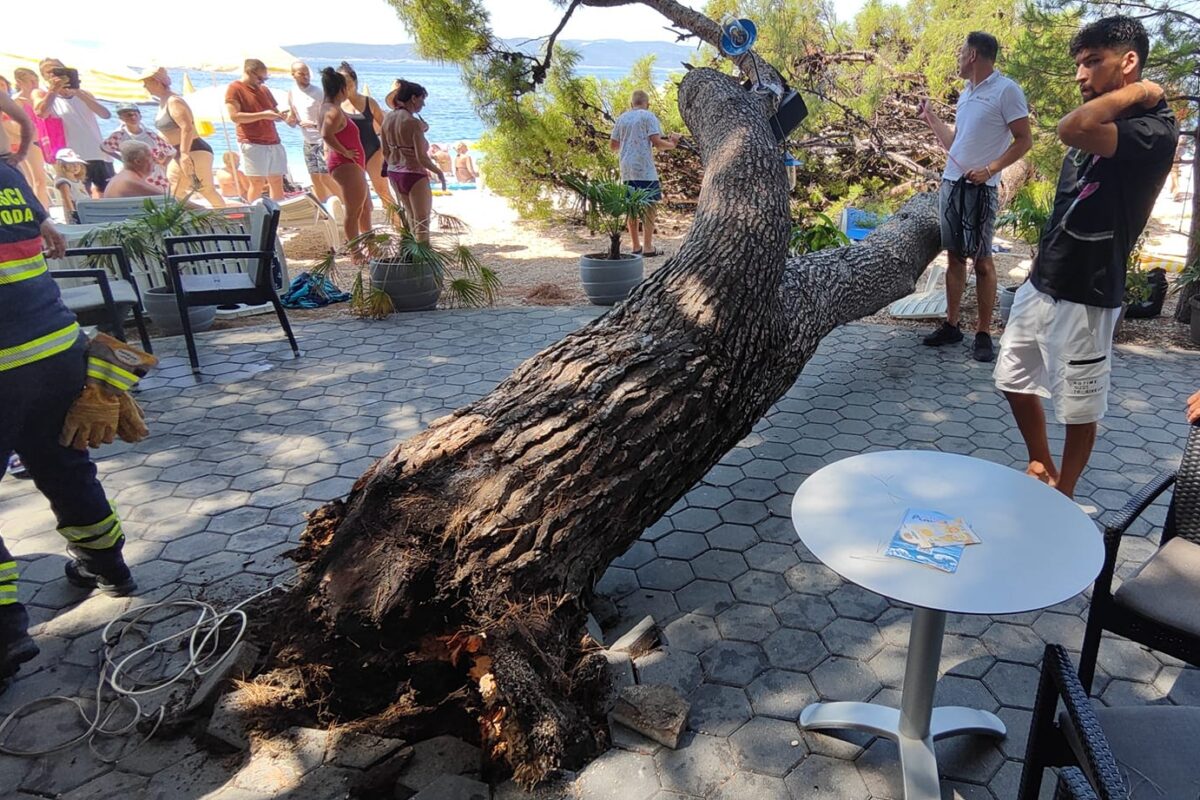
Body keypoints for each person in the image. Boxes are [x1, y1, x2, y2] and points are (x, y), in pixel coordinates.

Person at [994, 15, 1178, 500]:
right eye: (1078, 63)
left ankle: (1064, 494)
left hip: (1089, 290)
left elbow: (1071, 128)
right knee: (1012, 378)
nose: (1080, 74)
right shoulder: (1102, 116)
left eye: (1093, 62)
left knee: (1079, 407)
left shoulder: (1152, 129)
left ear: (1129, 62)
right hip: (1044, 280)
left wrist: (1144, 93)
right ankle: (1040, 464)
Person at [0, 160, 156, 689]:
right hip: (54, 351)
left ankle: (5, 631)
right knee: (65, 464)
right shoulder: (7, 174)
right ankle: (107, 567)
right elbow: (48, 237)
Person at [917, 32, 1032, 363]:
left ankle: (983, 333)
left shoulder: (1006, 90)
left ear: (974, 56)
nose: (958, 56)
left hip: (981, 188)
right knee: (954, 256)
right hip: (952, 184)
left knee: (982, 261)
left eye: (961, 50)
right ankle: (952, 325)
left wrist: (990, 169)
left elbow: (1024, 141)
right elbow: (955, 145)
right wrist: (932, 118)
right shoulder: (965, 95)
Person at [139, 67, 224, 208]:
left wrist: (184, 154)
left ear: (156, 82)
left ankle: (229, 217)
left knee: (203, 189)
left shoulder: (173, 101)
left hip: (192, 150)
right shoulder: (163, 102)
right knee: (175, 191)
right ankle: (200, 214)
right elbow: (168, 132)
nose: (144, 86)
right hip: (177, 152)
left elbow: (187, 127)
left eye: (146, 82)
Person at [610, 89, 680, 257]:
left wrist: (629, 146)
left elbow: (613, 146)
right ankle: (648, 247)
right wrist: (673, 143)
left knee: (632, 207)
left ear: (631, 104)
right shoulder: (648, 116)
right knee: (650, 206)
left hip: (627, 168)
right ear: (647, 104)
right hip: (644, 168)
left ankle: (635, 246)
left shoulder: (622, 118)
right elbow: (656, 142)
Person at [33, 59, 113, 195]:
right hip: (71, 156)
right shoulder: (43, 94)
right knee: (78, 195)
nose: (54, 74)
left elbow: (105, 114)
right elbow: (41, 113)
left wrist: (77, 91)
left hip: (97, 151)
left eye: (58, 70)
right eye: (50, 72)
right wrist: (53, 90)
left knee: (108, 192)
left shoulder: (83, 93)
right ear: (44, 77)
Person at [382, 79, 445, 242]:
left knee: (411, 219)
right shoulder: (412, 122)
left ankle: (412, 256)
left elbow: (385, 151)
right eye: (422, 99)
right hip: (414, 173)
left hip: (395, 172)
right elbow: (421, 158)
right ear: (414, 98)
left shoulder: (387, 119)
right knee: (422, 221)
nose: (423, 105)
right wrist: (439, 172)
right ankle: (423, 260)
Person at [320, 68, 371, 250]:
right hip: (346, 164)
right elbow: (325, 134)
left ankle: (369, 245)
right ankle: (355, 251)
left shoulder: (329, 108)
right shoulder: (332, 111)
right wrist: (345, 152)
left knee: (363, 207)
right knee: (353, 210)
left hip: (351, 164)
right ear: (341, 90)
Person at [337, 62, 396, 217]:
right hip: (351, 154)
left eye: (348, 81)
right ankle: (367, 234)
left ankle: (402, 230)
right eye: (341, 82)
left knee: (383, 191)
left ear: (355, 81)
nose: (345, 85)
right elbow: (330, 133)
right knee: (360, 197)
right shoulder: (337, 105)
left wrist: (389, 148)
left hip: (373, 151)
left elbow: (385, 126)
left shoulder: (369, 102)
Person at [225, 59, 287, 201]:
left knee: (277, 180)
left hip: (273, 140)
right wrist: (264, 115)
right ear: (248, 72)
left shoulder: (264, 90)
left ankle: (278, 216)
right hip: (252, 141)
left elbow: (274, 112)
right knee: (257, 182)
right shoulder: (235, 88)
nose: (263, 82)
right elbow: (235, 117)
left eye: (265, 78)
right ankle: (256, 218)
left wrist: (281, 116)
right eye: (260, 78)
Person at [285, 61, 339, 203]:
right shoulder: (292, 92)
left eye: (307, 73)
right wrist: (289, 120)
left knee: (326, 177)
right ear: (293, 75)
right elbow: (293, 116)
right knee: (315, 177)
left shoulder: (318, 93)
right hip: (308, 140)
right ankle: (325, 209)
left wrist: (313, 124)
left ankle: (346, 203)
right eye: (301, 74)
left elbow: (331, 118)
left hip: (323, 140)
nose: (306, 76)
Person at [101, 104, 174, 193]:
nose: (132, 117)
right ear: (121, 118)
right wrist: (123, 159)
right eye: (128, 115)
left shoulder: (150, 134)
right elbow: (105, 147)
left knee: (161, 198)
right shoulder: (119, 134)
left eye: (135, 114)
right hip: (134, 172)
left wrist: (163, 165)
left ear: (140, 116)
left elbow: (171, 151)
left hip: (155, 174)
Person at [53, 148, 92, 220]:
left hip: (86, 210)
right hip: (77, 211)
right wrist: (73, 213)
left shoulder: (78, 180)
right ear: (62, 165)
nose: (75, 166)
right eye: (71, 163)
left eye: (77, 163)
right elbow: (66, 198)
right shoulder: (64, 182)